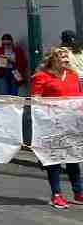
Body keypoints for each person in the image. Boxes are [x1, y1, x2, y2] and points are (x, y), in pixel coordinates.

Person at [30, 46, 83, 209]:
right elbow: (35, 100)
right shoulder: (40, 76)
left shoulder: (73, 75)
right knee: (54, 160)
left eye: (67, 56)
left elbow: (79, 97)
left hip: (72, 124)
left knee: (73, 158)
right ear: (53, 59)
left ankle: (78, 191)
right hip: (51, 124)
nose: (66, 58)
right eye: (62, 55)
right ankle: (56, 194)